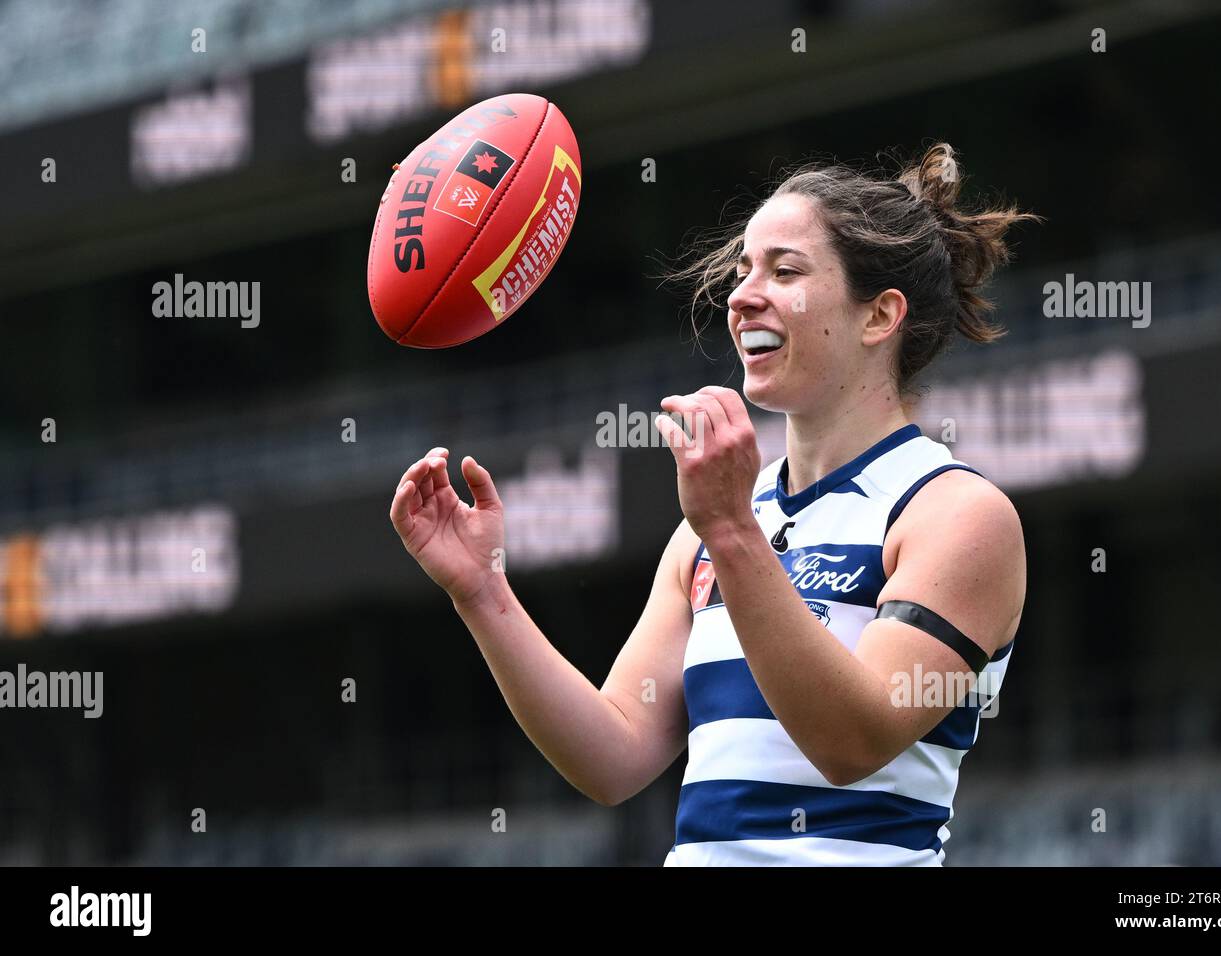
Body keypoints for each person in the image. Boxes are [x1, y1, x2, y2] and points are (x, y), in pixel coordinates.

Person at [390, 142, 1036, 865]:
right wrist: (483, 592)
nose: (741, 295)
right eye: (741, 271)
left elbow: (852, 741)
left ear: (879, 316)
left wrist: (731, 532)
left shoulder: (955, 513)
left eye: (784, 270)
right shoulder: (714, 525)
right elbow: (613, 755)